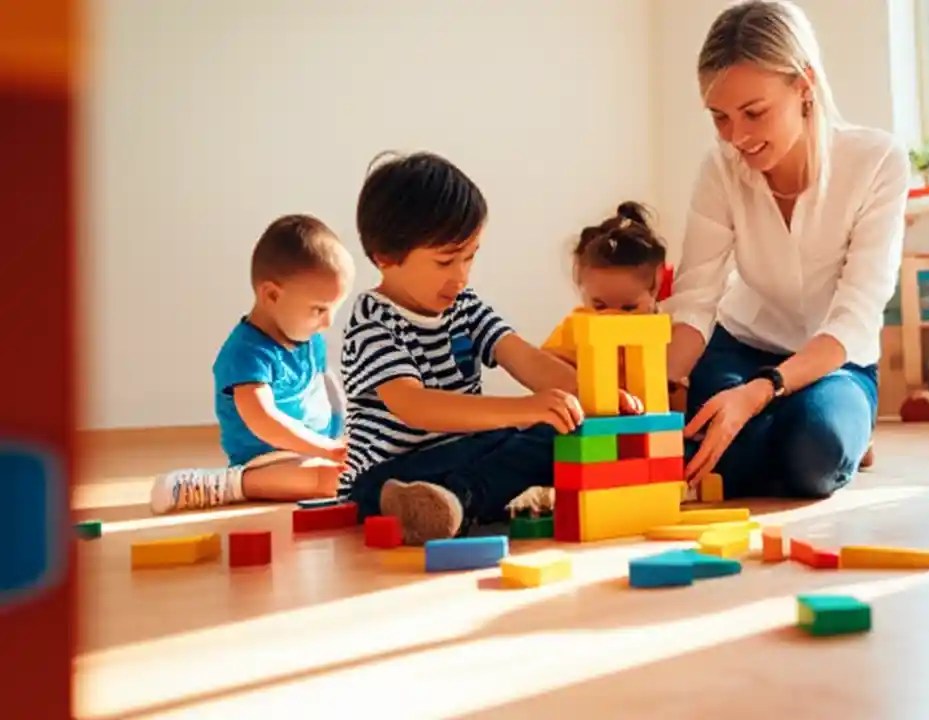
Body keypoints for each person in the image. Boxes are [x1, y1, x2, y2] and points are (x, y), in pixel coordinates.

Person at [663, 0, 909, 500]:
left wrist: (759, 393)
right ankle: (804, 433)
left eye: (754, 113)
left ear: (804, 86)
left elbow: (854, 318)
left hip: (836, 358)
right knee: (712, 460)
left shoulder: (876, 161)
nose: (738, 138)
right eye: (720, 118)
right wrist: (650, 389)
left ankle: (841, 431)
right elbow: (694, 301)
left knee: (812, 455)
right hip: (740, 345)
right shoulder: (719, 169)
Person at [339, 151, 635, 544]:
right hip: (389, 473)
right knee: (513, 435)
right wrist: (521, 409)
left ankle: (457, 503)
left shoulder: (465, 305)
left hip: (465, 457)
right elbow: (414, 406)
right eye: (445, 262)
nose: (460, 276)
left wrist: (594, 396)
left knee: (555, 432)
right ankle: (447, 502)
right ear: (386, 258)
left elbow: (522, 356)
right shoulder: (372, 320)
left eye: (470, 257)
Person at [150, 214, 354, 513]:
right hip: (267, 457)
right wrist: (324, 449)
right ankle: (226, 485)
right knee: (330, 481)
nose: (328, 321)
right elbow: (263, 420)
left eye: (334, 308)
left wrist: (346, 431)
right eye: (319, 309)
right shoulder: (246, 353)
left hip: (318, 447)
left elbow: (328, 387)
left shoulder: (310, 339)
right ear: (271, 294)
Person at [542, 200, 681, 411]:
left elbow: (681, 393)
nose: (613, 317)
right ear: (581, 281)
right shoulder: (577, 326)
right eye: (600, 306)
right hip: (593, 424)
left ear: (656, 284)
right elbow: (543, 373)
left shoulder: (672, 331)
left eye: (628, 308)